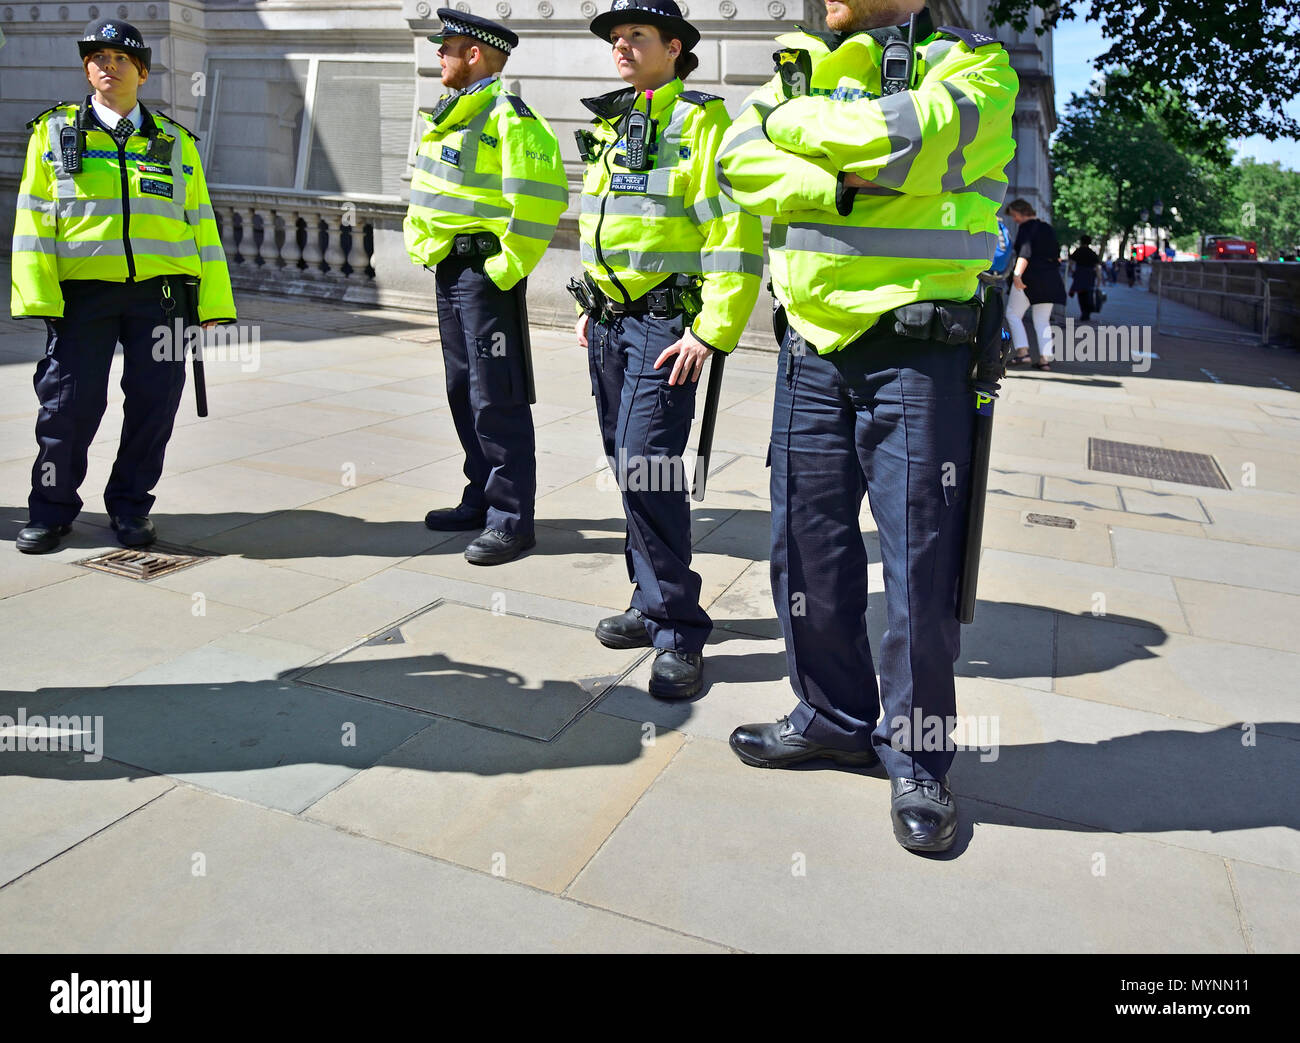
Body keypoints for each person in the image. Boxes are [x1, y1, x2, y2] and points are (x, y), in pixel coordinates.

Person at [717, 0, 1017, 852]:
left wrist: (794, 126)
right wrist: (841, 179)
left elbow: (910, 141)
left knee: (919, 557)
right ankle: (831, 714)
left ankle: (919, 759)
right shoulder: (795, 63)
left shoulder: (975, 65)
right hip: (809, 346)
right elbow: (739, 164)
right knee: (804, 543)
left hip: (918, 349)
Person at [574, 0, 762, 699]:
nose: (621, 46)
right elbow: (603, 222)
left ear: (676, 47)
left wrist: (713, 329)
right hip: (608, 324)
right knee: (628, 465)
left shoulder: (703, 123)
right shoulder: (615, 121)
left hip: (664, 328)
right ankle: (645, 595)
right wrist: (587, 302)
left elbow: (732, 233)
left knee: (645, 464)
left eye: (637, 36)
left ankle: (679, 628)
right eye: (616, 37)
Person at [10, 18, 235, 555]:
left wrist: (213, 302)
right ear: (87, 70)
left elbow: (201, 225)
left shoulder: (176, 142)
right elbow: (34, 218)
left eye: (119, 58)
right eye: (96, 58)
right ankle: (50, 510)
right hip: (82, 295)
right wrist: (38, 295)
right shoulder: (53, 132)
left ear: (143, 72)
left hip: (163, 299)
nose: (105, 66)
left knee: (154, 407)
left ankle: (132, 507)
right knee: (67, 407)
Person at [404, 9, 568, 565]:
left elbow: (542, 199)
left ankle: (511, 519)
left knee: (495, 395)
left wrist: (505, 269)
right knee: (461, 388)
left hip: (483, 275)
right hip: (451, 271)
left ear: (474, 53)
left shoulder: (510, 117)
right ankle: (481, 495)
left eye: (445, 46)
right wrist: (421, 241)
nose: (438, 55)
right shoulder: (452, 113)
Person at [1004, 198, 1065, 370]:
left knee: (1013, 314)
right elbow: (1057, 255)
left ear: (1021, 212)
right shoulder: (1048, 228)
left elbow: (1025, 253)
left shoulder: (1026, 228)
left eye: (1015, 215)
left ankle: (1023, 353)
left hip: (1029, 278)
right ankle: (1045, 360)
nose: (1014, 219)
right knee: (1042, 320)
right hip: (1051, 279)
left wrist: (1017, 275)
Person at [1069, 234, 1102, 321]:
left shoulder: (1078, 251)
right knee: (1088, 293)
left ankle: (1083, 312)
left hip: (1080, 274)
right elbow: (1097, 267)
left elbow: (1071, 263)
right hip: (1090, 275)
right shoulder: (1092, 253)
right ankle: (1087, 313)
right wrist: (1099, 278)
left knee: (1081, 294)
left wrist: (1073, 271)